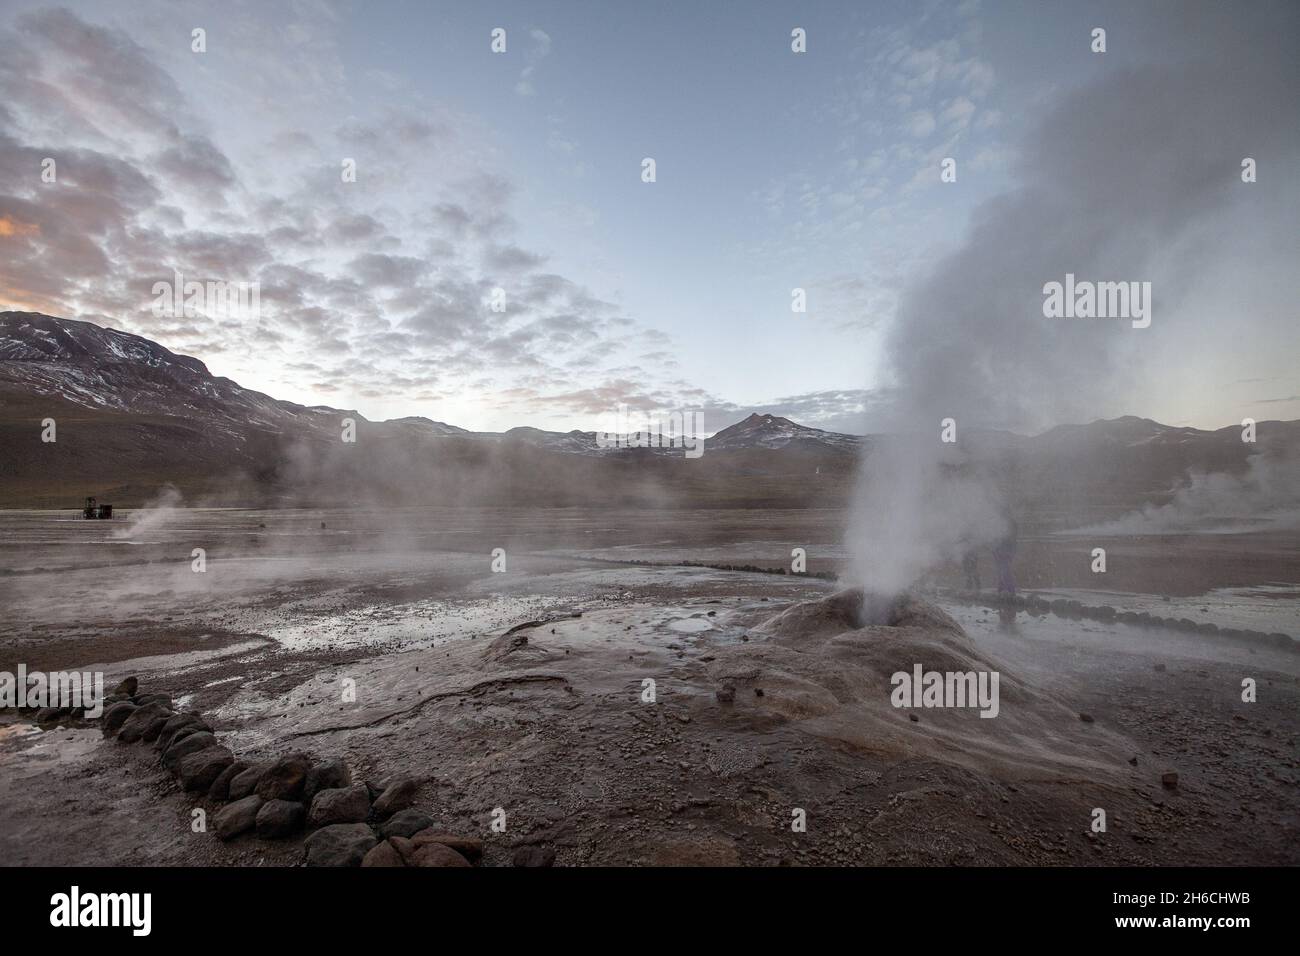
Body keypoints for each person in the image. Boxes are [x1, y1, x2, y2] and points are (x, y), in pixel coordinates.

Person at [991, 513, 1018, 598]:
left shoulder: (1009, 527)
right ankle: (1003, 591)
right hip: (1001, 553)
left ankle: (1009, 592)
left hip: (1005, 553)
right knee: (1001, 572)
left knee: (1005, 572)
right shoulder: (1004, 527)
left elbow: (1011, 542)